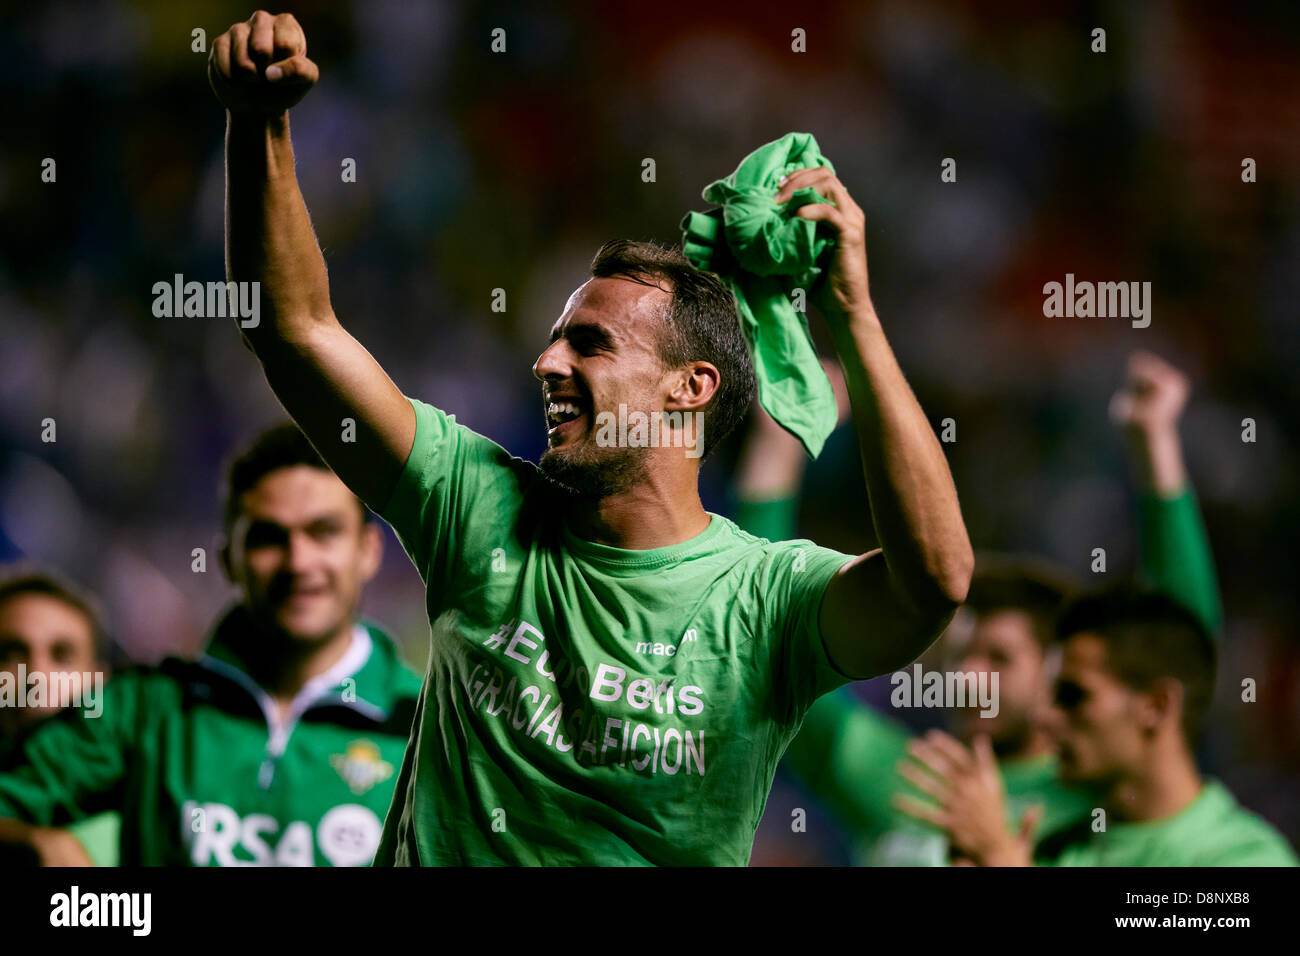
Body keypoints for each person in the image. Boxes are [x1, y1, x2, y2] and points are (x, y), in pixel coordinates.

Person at [208, 10, 973, 865]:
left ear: (691, 388)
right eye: (554, 337)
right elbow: (292, 330)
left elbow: (933, 581)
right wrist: (257, 123)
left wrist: (854, 315)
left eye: (590, 343)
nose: (545, 362)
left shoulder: (766, 600)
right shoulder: (475, 503)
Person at [739, 349, 1224, 864]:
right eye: (960, 656)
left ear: (1058, 673)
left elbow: (1176, 645)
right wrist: (779, 447)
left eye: (999, 659)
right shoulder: (908, 778)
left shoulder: (1097, 792)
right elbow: (774, 640)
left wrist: (1154, 444)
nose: (967, 676)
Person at [0, 425, 422, 865]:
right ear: (227, 559)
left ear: (369, 550)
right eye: (268, 537)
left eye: (323, 531)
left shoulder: (425, 728)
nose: (299, 562)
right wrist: (36, 843)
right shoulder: (146, 710)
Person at [899, 589, 1297, 866]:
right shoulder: (1052, 849)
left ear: (1156, 707)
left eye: (1073, 697)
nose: (1045, 717)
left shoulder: (1243, 858)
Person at [0, 571, 118, 865]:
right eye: (12, 655)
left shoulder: (143, 810)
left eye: (62, 656)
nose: (37, 676)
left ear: (98, 682)